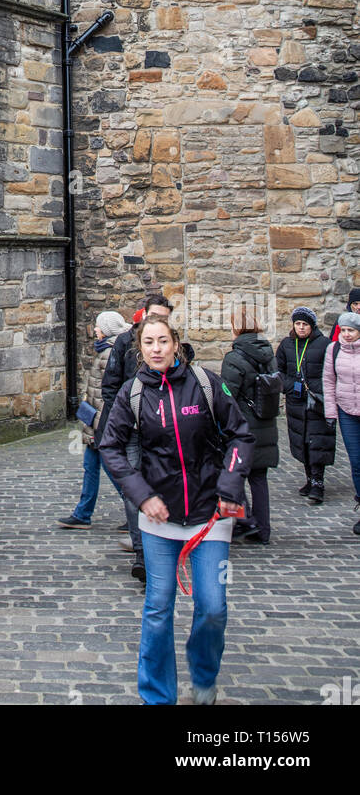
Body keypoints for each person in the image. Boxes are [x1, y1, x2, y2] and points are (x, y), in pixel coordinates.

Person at [100, 315, 253, 707]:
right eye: (148, 342)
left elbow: (240, 432)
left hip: (210, 515)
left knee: (213, 607)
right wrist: (141, 495)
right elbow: (110, 447)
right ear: (140, 348)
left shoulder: (205, 383)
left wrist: (231, 484)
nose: (156, 349)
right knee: (157, 609)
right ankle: (157, 696)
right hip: (158, 518)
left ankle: (203, 677)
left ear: (175, 343)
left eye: (163, 341)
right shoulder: (132, 393)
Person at [98, 295, 174, 581]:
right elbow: (111, 385)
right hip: (131, 431)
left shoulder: (172, 347)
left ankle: (163, 540)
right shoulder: (125, 343)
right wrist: (123, 418)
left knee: (163, 483)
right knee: (133, 490)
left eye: (164, 319)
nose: (158, 324)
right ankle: (143, 554)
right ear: (143, 314)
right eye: (154, 316)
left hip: (162, 430)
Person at [57, 311, 130, 530]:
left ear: (106, 330)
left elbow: (107, 393)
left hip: (102, 422)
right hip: (95, 421)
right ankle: (83, 513)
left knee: (111, 469)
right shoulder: (105, 349)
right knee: (90, 467)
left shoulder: (109, 353)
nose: (95, 330)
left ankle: (137, 507)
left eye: (98, 326)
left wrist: (99, 426)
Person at [220, 309, 279, 545]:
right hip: (266, 421)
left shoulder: (234, 358)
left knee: (233, 473)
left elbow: (227, 395)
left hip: (243, 425)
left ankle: (246, 521)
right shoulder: (268, 352)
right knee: (259, 478)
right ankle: (262, 529)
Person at [276, 306, 336, 503]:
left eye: (305, 325)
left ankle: (318, 481)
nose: (301, 328)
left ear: (312, 326)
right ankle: (309, 478)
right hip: (296, 400)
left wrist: (317, 388)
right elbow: (279, 371)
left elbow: (331, 372)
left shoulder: (325, 344)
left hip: (317, 400)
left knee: (316, 439)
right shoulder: (286, 345)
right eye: (298, 324)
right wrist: (289, 386)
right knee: (302, 440)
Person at [323, 309, 360, 535]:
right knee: (356, 463)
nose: (346, 334)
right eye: (343, 330)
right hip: (347, 411)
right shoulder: (333, 349)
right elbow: (328, 381)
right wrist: (331, 413)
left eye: (351, 331)